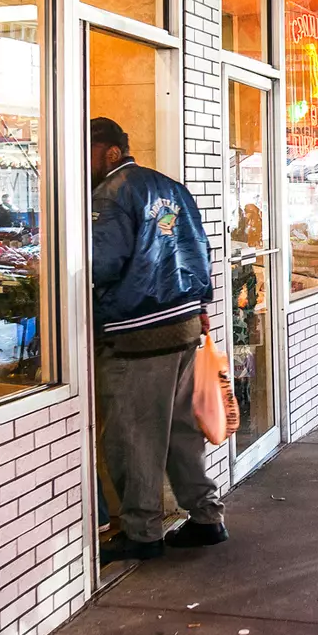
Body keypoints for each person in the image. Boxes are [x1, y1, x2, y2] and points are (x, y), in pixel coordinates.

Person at [88, 117, 227, 562]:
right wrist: (202, 304)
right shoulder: (170, 186)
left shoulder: (109, 194)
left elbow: (101, 265)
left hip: (138, 332)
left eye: (87, 150)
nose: (81, 161)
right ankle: (207, 518)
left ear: (111, 151)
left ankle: (141, 532)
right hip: (184, 324)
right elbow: (198, 249)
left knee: (133, 435)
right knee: (180, 431)